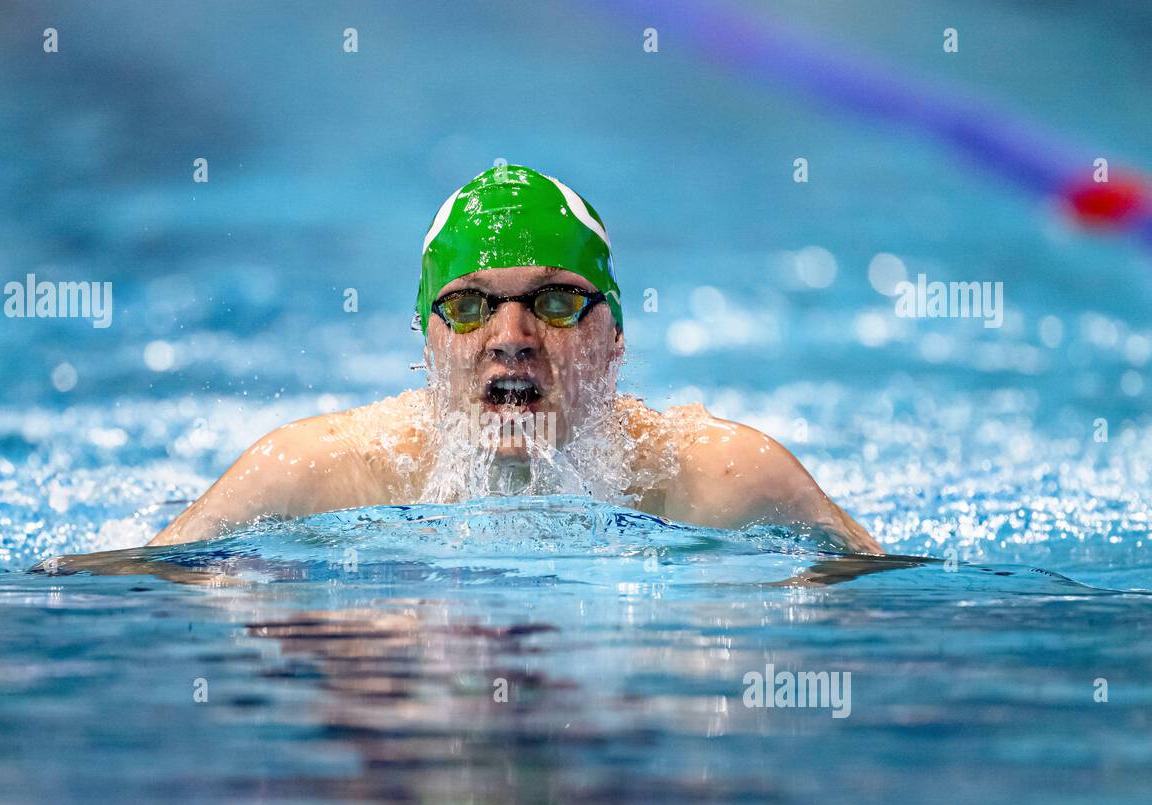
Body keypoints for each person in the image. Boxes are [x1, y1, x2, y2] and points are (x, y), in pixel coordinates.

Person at [148, 164, 881, 555]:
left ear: (616, 336)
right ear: (427, 344)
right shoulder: (313, 475)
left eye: (557, 301)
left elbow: (896, 616)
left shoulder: (725, 481)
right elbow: (123, 592)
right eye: (468, 306)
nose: (511, 335)